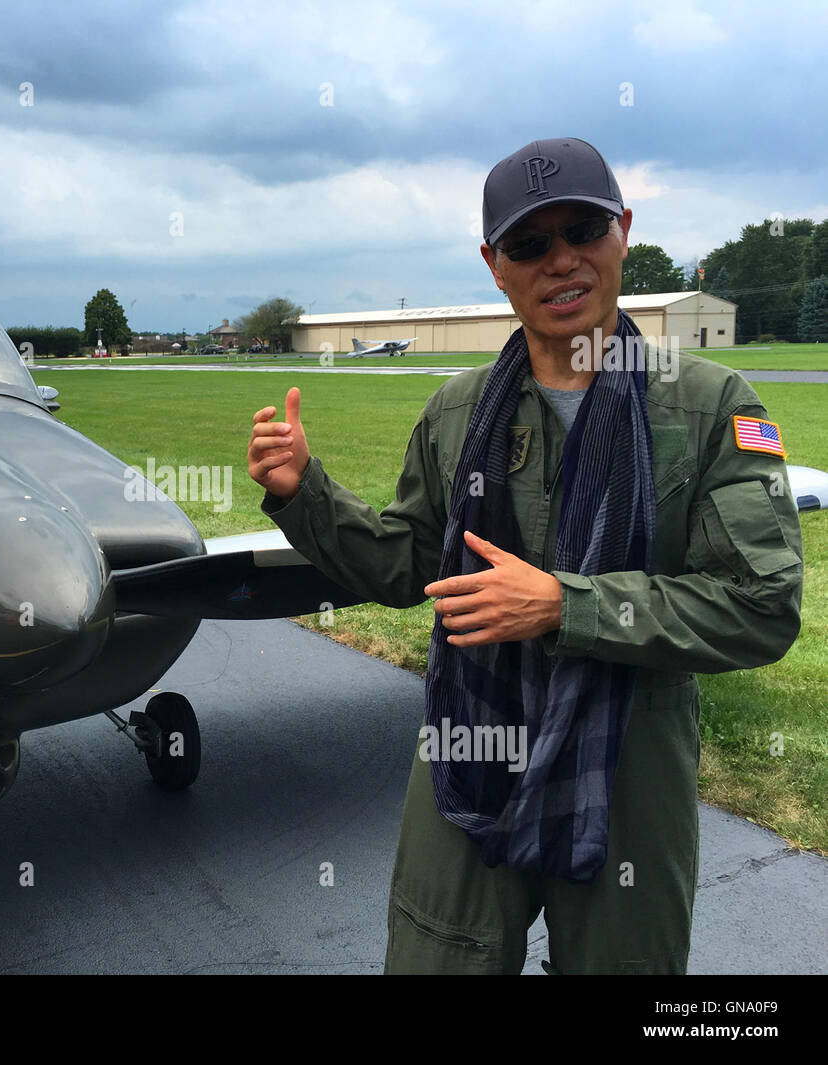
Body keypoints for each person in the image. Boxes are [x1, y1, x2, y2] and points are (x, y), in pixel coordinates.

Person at [246, 137, 803, 974]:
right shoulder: (456, 412)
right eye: (530, 244)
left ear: (623, 230)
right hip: (472, 733)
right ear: (494, 265)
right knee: (437, 957)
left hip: (629, 754)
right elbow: (406, 566)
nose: (562, 260)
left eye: (582, 229)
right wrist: (303, 494)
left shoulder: (710, 404)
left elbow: (762, 605)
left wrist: (564, 607)